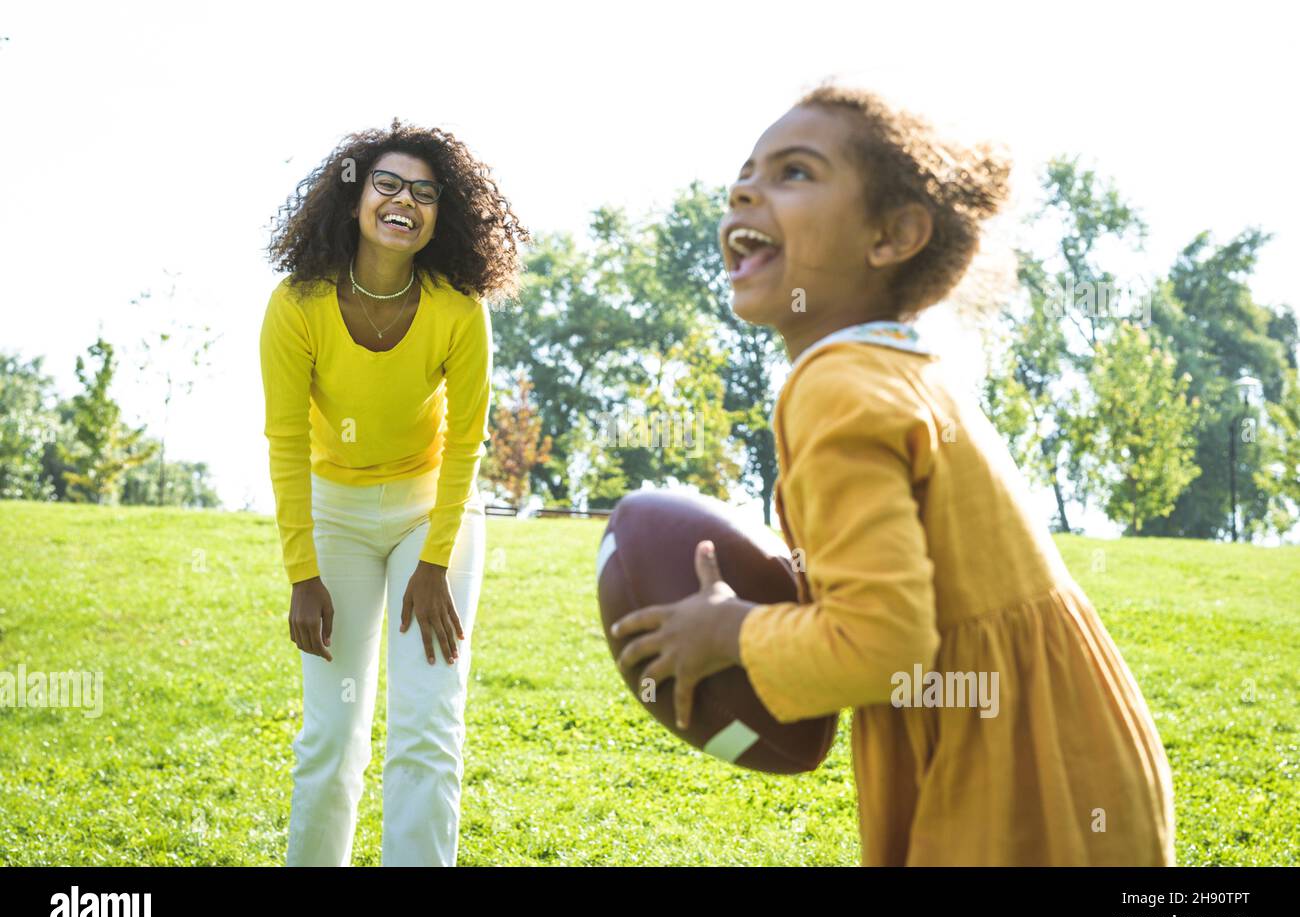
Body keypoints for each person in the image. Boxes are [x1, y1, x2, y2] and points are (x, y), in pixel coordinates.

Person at [612, 86, 1176, 866]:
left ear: (893, 235)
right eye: (745, 174)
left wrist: (728, 630)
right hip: (1068, 752)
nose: (744, 189)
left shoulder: (837, 386)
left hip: (1004, 783)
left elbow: (885, 648)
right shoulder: (905, 369)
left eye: (795, 173)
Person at [260, 118, 527, 866]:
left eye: (425, 192)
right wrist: (303, 574)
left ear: (442, 215)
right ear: (353, 201)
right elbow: (285, 444)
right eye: (386, 184)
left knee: (428, 728)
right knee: (329, 736)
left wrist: (436, 560)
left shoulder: (458, 306)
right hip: (333, 516)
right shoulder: (297, 305)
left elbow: (468, 441)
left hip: (431, 514)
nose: (404, 199)